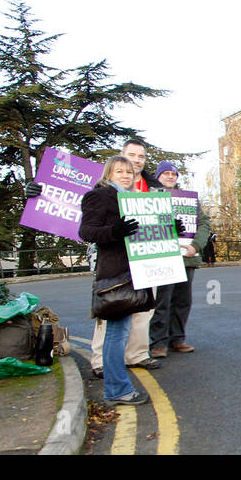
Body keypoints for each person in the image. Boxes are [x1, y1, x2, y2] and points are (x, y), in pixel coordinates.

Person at [25, 138, 157, 378]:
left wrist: (173, 229)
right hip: (113, 263)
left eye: (141, 157)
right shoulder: (102, 189)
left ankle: (136, 355)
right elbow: (71, 204)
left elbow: (158, 219)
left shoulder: (152, 186)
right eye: (130, 157)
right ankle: (102, 362)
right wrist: (34, 191)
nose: (136, 161)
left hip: (145, 261)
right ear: (119, 158)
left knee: (140, 310)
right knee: (113, 311)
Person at [79, 155, 155, 405]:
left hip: (135, 272)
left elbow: (142, 231)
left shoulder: (132, 200)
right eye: (119, 171)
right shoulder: (99, 196)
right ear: (108, 173)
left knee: (120, 332)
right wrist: (114, 231)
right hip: (115, 275)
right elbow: (86, 232)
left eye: (129, 172)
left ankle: (117, 388)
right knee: (116, 333)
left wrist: (169, 227)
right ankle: (117, 390)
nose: (125, 175)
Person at [146, 161, 211, 359]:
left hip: (186, 258)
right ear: (158, 176)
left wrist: (195, 246)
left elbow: (204, 223)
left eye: (173, 174)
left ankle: (177, 339)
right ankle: (158, 342)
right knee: (162, 301)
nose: (170, 177)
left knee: (183, 301)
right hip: (162, 258)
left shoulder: (189, 200)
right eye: (165, 173)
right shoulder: (150, 197)